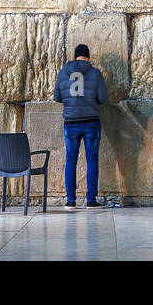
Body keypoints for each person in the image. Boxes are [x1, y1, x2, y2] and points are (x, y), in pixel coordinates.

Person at [53, 43, 108, 210]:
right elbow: (103, 97)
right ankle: (91, 200)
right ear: (88, 57)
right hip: (91, 121)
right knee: (92, 159)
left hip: (71, 122)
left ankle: (70, 200)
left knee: (71, 160)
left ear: (75, 56)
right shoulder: (95, 73)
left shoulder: (63, 73)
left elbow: (57, 96)